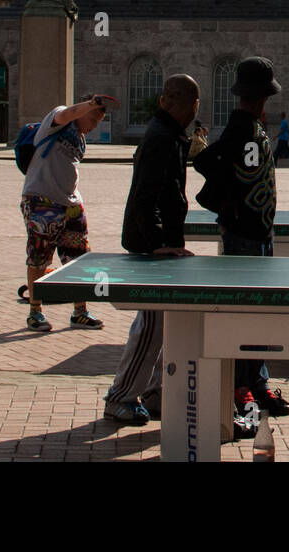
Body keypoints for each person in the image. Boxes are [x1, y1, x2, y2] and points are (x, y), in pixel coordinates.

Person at [193, 56, 289, 427]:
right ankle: (241, 386)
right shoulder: (239, 128)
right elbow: (206, 162)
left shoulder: (252, 126)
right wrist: (227, 200)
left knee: (259, 312)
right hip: (244, 235)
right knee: (245, 312)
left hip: (261, 232)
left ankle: (257, 380)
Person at [104, 75, 201, 425]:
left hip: (165, 245)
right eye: (193, 103)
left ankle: (156, 391)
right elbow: (147, 196)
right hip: (153, 247)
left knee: (164, 322)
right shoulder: (161, 138)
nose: (193, 110)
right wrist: (159, 244)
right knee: (151, 323)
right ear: (186, 103)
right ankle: (120, 397)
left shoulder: (170, 135)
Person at [20, 94, 112, 332]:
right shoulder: (57, 120)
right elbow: (68, 114)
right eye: (92, 119)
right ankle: (35, 312)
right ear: (83, 111)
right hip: (42, 201)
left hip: (71, 204)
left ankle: (80, 312)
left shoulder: (80, 138)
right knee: (39, 258)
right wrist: (89, 105)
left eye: (98, 122)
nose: (93, 126)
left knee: (78, 259)